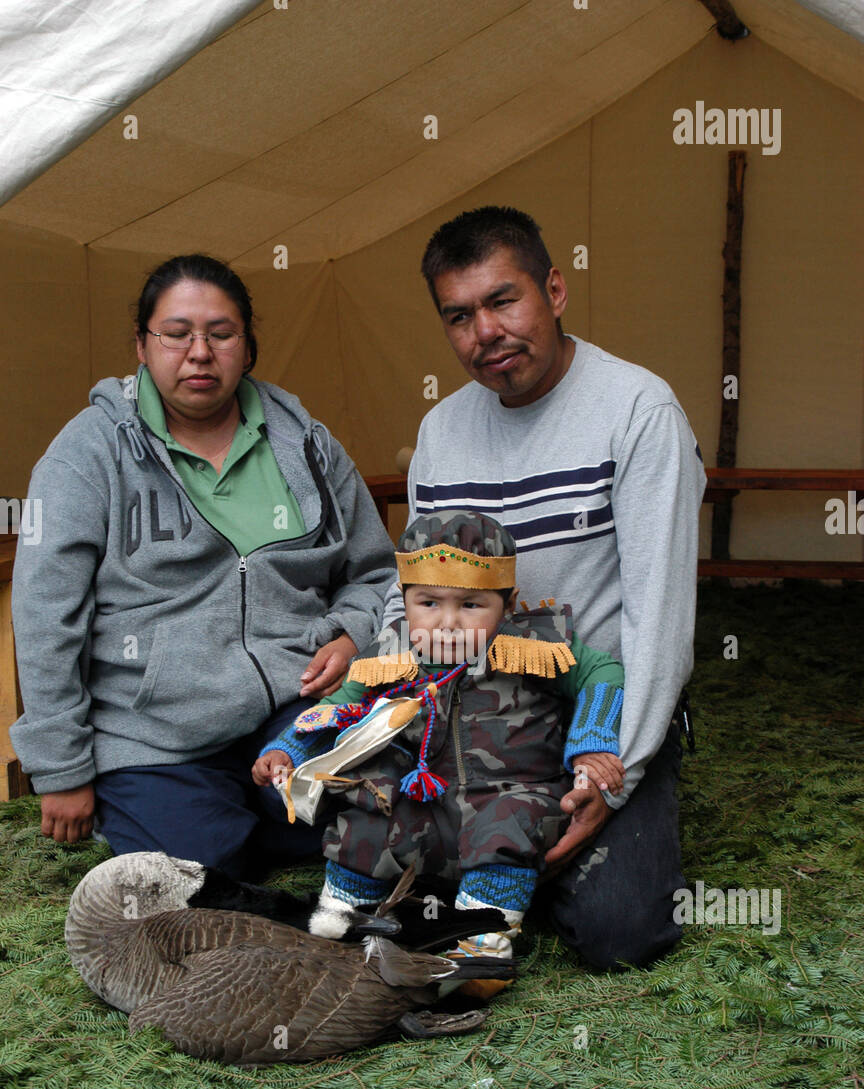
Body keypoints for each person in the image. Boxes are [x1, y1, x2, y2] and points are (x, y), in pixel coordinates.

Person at [380, 206, 707, 970]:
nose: (484, 333)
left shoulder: (637, 409)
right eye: (459, 316)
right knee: (377, 860)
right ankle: (508, 859)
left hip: (598, 706)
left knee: (618, 933)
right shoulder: (442, 431)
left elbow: (660, 614)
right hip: (478, 715)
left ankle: (532, 855)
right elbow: (423, 598)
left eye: (503, 300)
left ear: (554, 290)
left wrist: (615, 783)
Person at [11, 253, 395, 878]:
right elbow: (45, 614)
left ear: (247, 347)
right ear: (141, 345)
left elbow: (376, 571)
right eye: (176, 333)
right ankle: (223, 819)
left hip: (290, 707)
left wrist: (353, 632)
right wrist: (61, 768)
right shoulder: (87, 453)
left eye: (221, 334)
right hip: (152, 736)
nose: (199, 352)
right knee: (206, 867)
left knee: (383, 811)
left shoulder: (305, 444)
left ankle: (263, 811)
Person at [252, 511, 625, 951]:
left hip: (506, 795)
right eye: (429, 603)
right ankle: (343, 929)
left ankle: (479, 942)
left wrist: (589, 744)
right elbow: (339, 709)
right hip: (417, 798)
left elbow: (603, 671)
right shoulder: (389, 652)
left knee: (508, 828)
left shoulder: (534, 647)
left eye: (471, 605)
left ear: (507, 604)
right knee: (365, 820)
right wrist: (289, 749)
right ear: (405, 600)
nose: (448, 622)